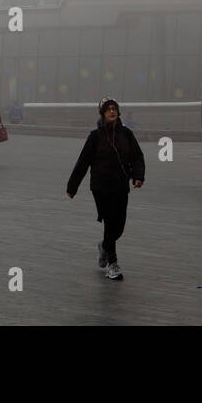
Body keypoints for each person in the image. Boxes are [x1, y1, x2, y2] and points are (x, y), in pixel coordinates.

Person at [66, 99, 145, 281]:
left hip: (121, 185)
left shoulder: (126, 134)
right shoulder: (95, 136)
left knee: (119, 226)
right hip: (101, 186)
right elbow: (83, 161)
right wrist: (73, 186)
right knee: (110, 222)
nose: (112, 112)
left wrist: (138, 176)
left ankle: (104, 245)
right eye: (108, 109)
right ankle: (113, 264)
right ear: (102, 114)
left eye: (114, 109)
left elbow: (137, 156)